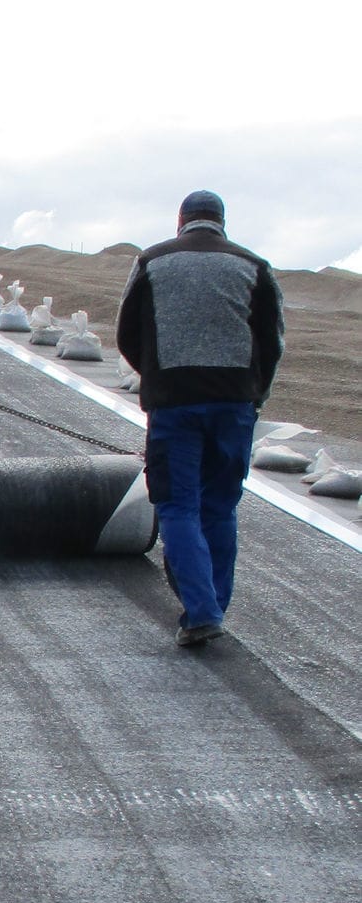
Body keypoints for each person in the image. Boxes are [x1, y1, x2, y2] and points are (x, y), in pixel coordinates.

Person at [115, 190, 284, 647]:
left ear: (181, 221)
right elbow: (271, 343)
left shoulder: (152, 262)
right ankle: (213, 606)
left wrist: (156, 379)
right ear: (221, 222)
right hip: (234, 406)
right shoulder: (254, 266)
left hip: (174, 405)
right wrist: (254, 395)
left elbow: (126, 333)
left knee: (177, 507)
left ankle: (201, 610)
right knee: (220, 506)